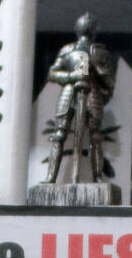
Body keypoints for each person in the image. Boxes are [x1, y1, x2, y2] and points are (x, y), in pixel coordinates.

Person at [44, 12, 116, 184]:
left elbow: (110, 81)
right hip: (69, 90)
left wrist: (97, 69)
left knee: (96, 136)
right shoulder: (68, 50)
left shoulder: (100, 52)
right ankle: (50, 177)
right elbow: (52, 73)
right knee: (59, 134)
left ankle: (97, 177)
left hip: (92, 90)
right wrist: (71, 75)